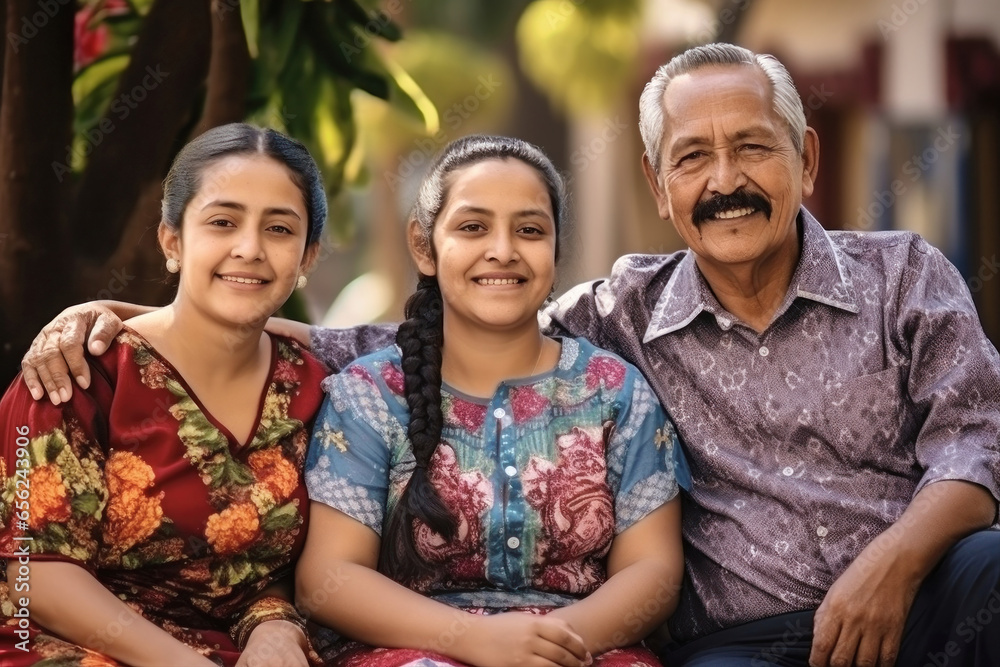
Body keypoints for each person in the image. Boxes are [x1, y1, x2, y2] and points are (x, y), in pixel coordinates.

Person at [18, 42, 1000, 667]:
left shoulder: (901, 276)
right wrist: (153, 311)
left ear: (806, 163)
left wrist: (896, 561)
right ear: (660, 188)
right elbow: (434, 332)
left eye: (752, 148)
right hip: (737, 642)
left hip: (916, 592)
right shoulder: (614, 311)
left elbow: (977, 445)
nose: (725, 179)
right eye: (692, 158)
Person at [298, 135, 689, 667]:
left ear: (554, 249)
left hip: (583, 649)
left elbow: (654, 573)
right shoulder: (371, 397)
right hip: (411, 650)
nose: (503, 250)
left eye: (529, 230)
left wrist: (545, 643)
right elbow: (330, 578)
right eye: (473, 227)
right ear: (423, 246)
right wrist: (476, 640)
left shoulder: (613, 391)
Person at [0, 123, 330, 666]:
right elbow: (40, 574)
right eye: (222, 222)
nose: (249, 248)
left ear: (307, 256)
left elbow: (303, 571)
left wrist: (275, 626)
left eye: (279, 229)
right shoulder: (79, 373)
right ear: (172, 241)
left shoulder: (318, 390)